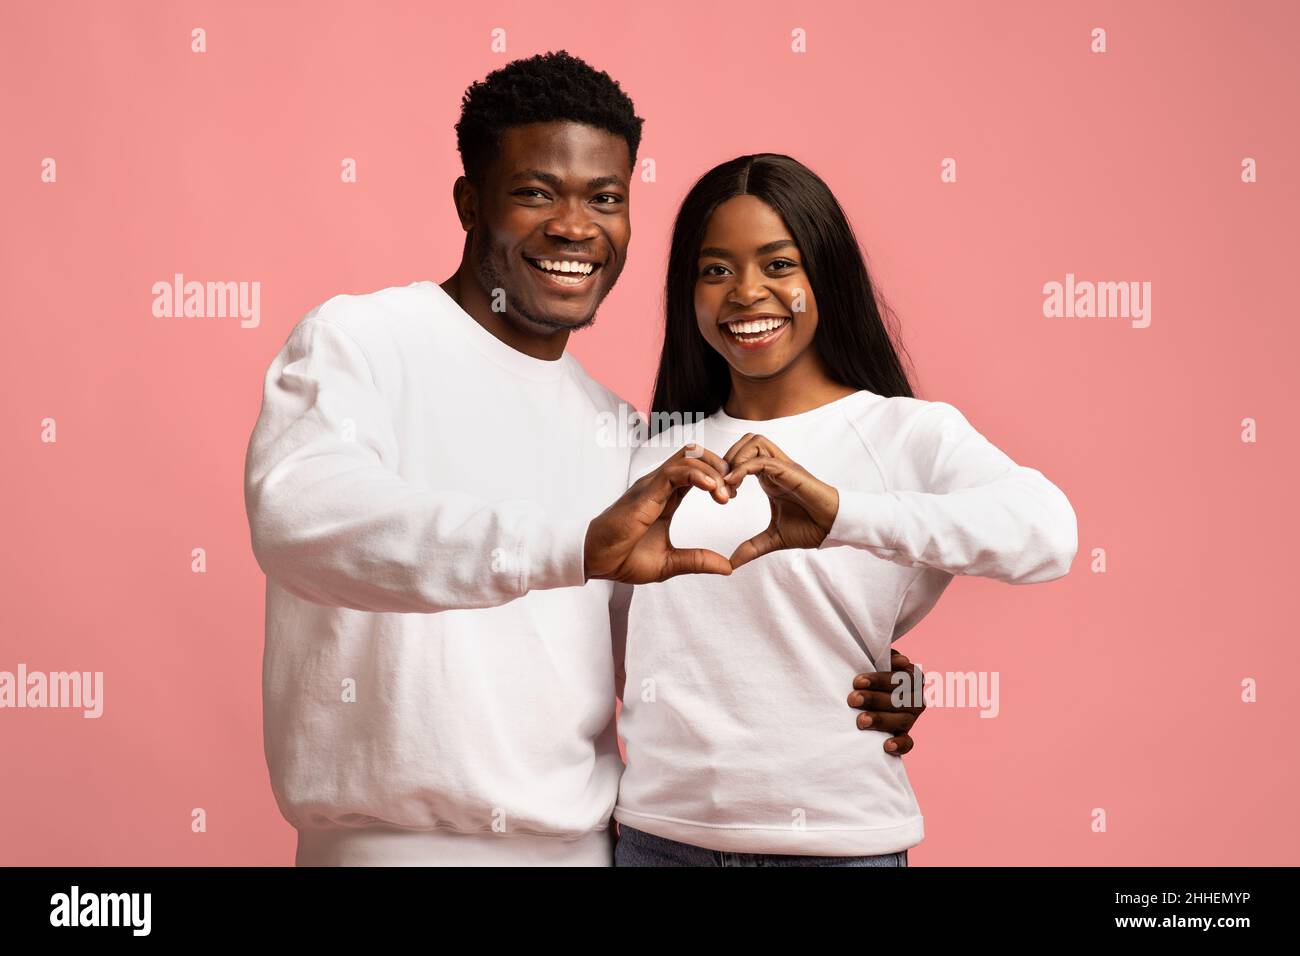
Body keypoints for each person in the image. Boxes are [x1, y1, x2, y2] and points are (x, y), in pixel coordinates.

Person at [243, 52, 921, 867]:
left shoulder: (619, 429)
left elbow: (677, 652)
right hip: (394, 847)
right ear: (469, 201)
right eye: (535, 192)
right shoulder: (361, 341)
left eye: (605, 198)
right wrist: (565, 546)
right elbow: (305, 518)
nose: (574, 226)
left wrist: (847, 671)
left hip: (596, 849)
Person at [611, 154, 1079, 866]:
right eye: (715, 270)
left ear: (824, 275)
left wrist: (844, 515)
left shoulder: (906, 434)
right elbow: (607, 649)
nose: (746, 292)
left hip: (840, 841)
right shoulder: (652, 457)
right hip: (661, 839)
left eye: (778, 265)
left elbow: (1048, 535)